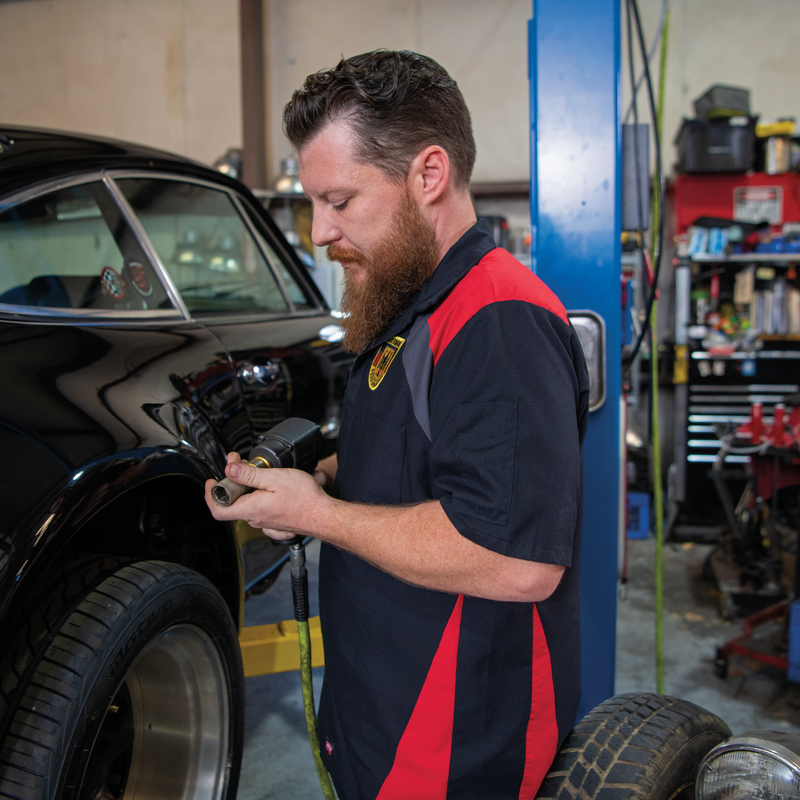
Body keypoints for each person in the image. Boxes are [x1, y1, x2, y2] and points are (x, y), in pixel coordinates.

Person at [206, 49, 590, 800]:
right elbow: (415, 462)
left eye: (340, 201)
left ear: (428, 175)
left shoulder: (498, 322)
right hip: (382, 705)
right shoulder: (412, 303)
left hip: (454, 745)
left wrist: (319, 516)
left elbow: (514, 559)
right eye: (313, 203)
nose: (319, 231)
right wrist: (315, 481)